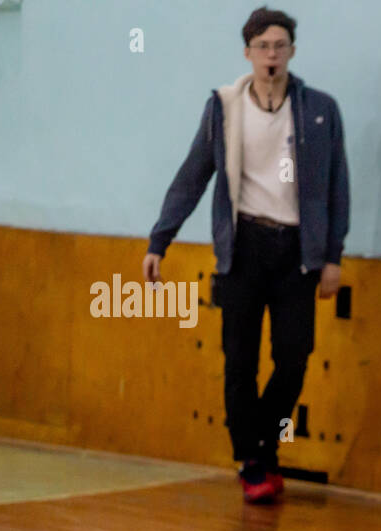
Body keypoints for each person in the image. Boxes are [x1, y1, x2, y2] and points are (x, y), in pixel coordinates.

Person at [142, 6, 349, 504]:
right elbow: (193, 175)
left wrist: (333, 255)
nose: (271, 55)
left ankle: (258, 447)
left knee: (294, 357)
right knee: (239, 360)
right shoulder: (225, 107)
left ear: (292, 52)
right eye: (262, 47)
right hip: (243, 248)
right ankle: (253, 459)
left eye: (279, 46)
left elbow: (336, 186)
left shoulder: (319, 109)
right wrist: (159, 241)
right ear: (247, 53)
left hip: (299, 251)